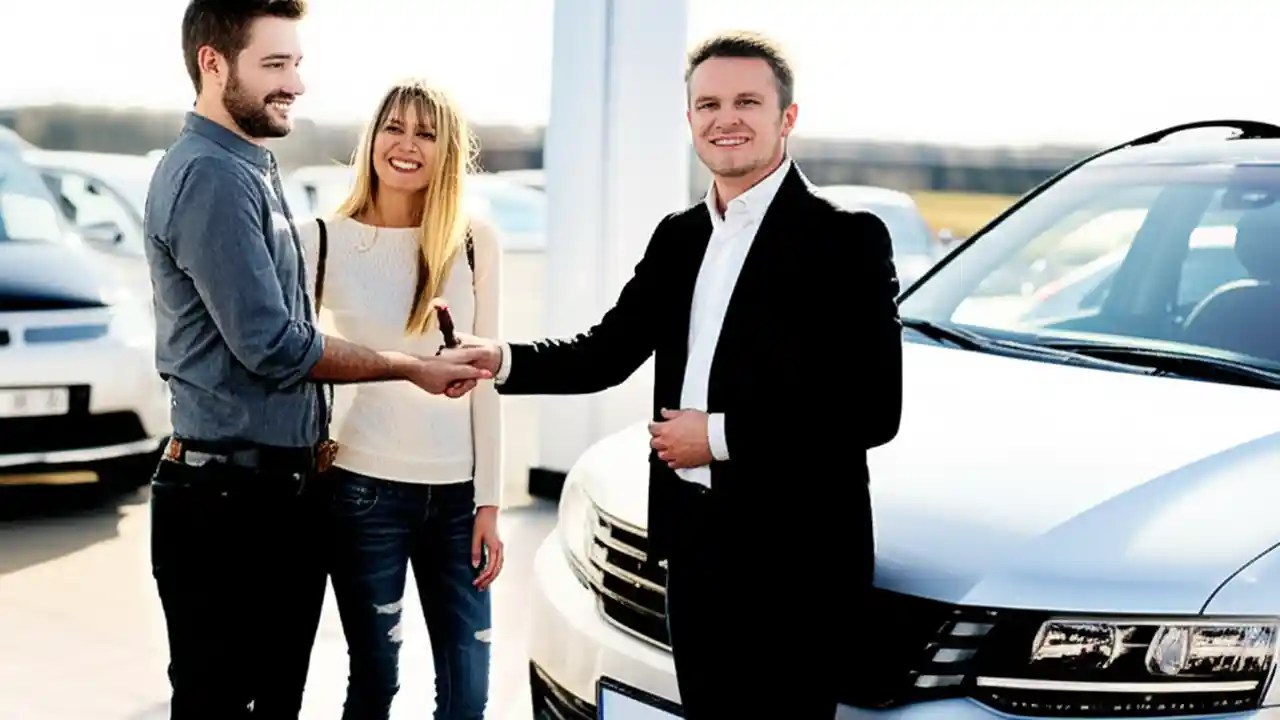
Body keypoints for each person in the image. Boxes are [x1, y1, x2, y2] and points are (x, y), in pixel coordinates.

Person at [447, 30, 902, 718]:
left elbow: (872, 408)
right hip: (696, 553)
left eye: (748, 101)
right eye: (708, 103)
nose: (727, 118)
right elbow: (605, 351)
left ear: (788, 117)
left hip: (798, 562)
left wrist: (716, 436)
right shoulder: (679, 235)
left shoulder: (847, 238)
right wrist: (499, 359)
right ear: (689, 118)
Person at [143, 3, 490, 719]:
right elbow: (273, 347)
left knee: (273, 701)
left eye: (296, 63)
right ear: (213, 64)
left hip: (275, 495)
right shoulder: (212, 176)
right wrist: (406, 366)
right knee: (225, 702)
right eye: (275, 64)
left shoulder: (251, 167)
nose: (295, 83)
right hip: (227, 503)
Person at [295, 78, 504, 720]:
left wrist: (490, 500)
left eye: (426, 133)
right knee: (375, 684)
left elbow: (490, 376)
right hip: (362, 493)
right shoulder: (321, 240)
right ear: (372, 138)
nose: (406, 145)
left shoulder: (472, 239)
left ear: (447, 151)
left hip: (458, 499)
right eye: (394, 127)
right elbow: (295, 360)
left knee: (467, 697)